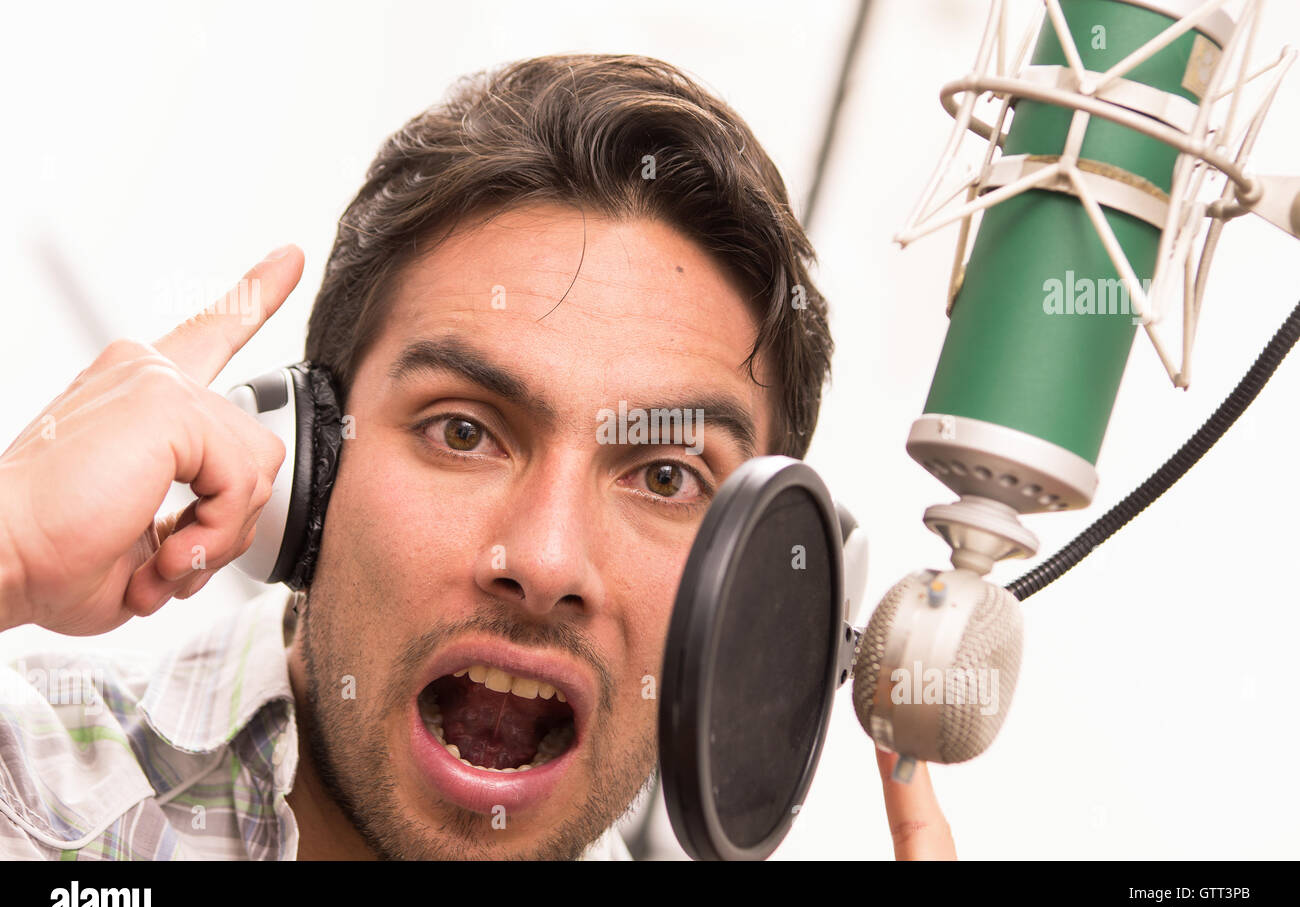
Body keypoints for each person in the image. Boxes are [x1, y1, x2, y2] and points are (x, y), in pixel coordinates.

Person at [0, 53, 955, 860]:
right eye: (464, 431)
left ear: (755, 615)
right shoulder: (35, 799)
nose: (542, 562)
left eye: (666, 475)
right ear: (302, 470)